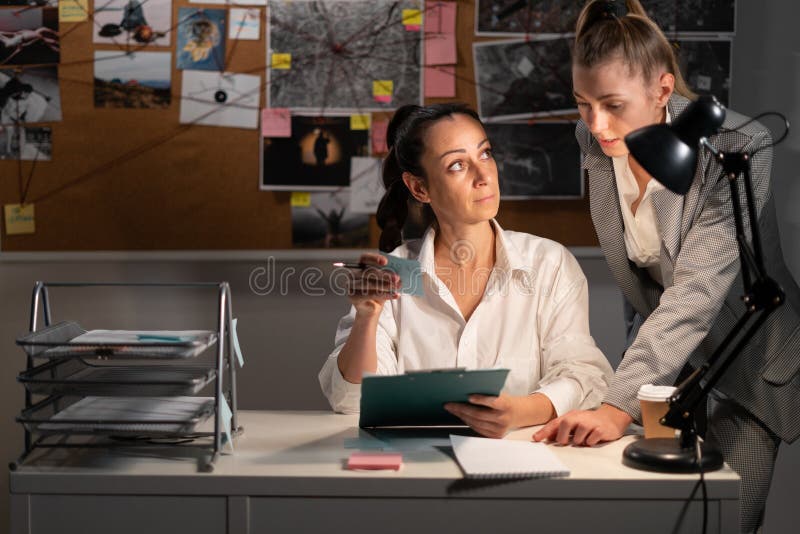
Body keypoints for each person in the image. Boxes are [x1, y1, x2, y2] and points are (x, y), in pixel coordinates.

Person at [532, 2, 800, 532]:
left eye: (612, 104)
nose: (598, 124)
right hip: (667, 368)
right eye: (582, 103)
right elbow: (643, 278)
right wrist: (634, 390)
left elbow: (696, 292)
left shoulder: (738, 149)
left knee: (728, 519)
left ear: (661, 90)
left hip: (751, 355)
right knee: (662, 514)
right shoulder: (593, 137)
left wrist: (616, 406)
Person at [319, 103, 613, 438]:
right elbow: (350, 400)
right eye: (458, 165)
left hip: (521, 461)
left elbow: (584, 374)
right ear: (420, 188)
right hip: (416, 470)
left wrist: (520, 411)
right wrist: (366, 317)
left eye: (485, 154)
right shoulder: (395, 275)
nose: (483, 175)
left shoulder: (548, 263)